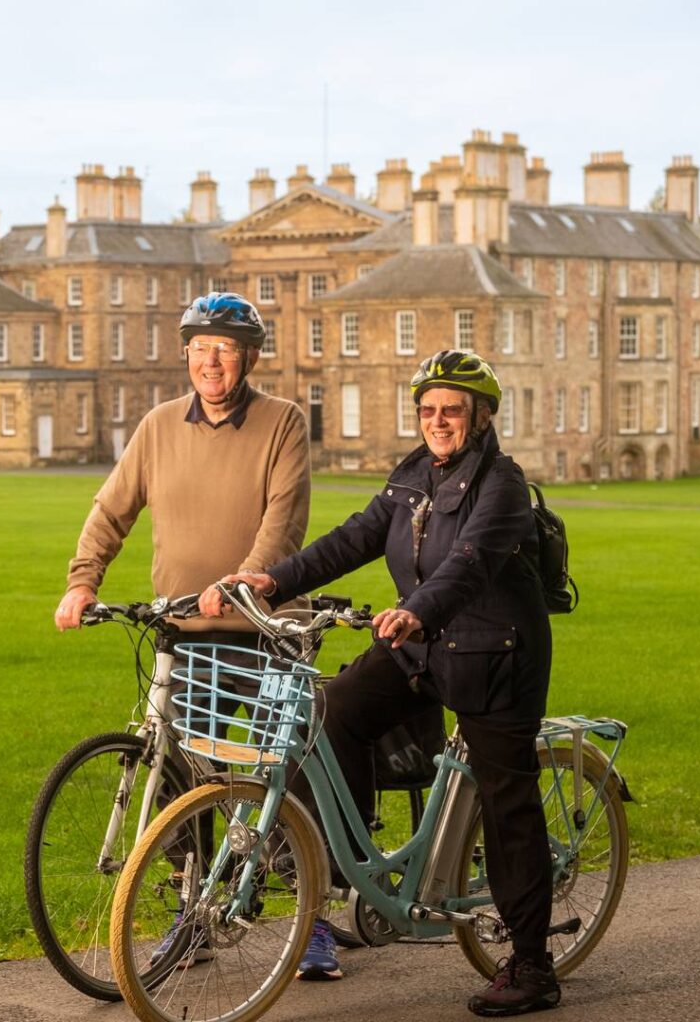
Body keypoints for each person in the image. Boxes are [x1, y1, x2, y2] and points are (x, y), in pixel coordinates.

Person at [200, 350, 560, 1015]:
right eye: (428, 410)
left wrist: (418, 609)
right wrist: (275, 578)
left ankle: (534, 965)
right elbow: (356, 536)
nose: (438, 420)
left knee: (507, 801)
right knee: (334, 710)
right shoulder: (414, 476)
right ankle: (353, 872)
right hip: (420, 646)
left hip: (494, 655)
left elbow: (470, 563)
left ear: (480, 417)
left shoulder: (502, 485)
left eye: (452, 410)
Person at [54, 292, 312, 966]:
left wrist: (241, 580)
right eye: (200, 348)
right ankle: (193, 912)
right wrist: (84, 580)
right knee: (172, 772)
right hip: (184, 633)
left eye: (224, 348)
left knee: (280, 771)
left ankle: (308, 917)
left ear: (249, 357)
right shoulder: (159, 426)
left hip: (264, 629)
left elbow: (282, 523)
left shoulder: (283, 422)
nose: (211, 361)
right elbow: (112, 509)